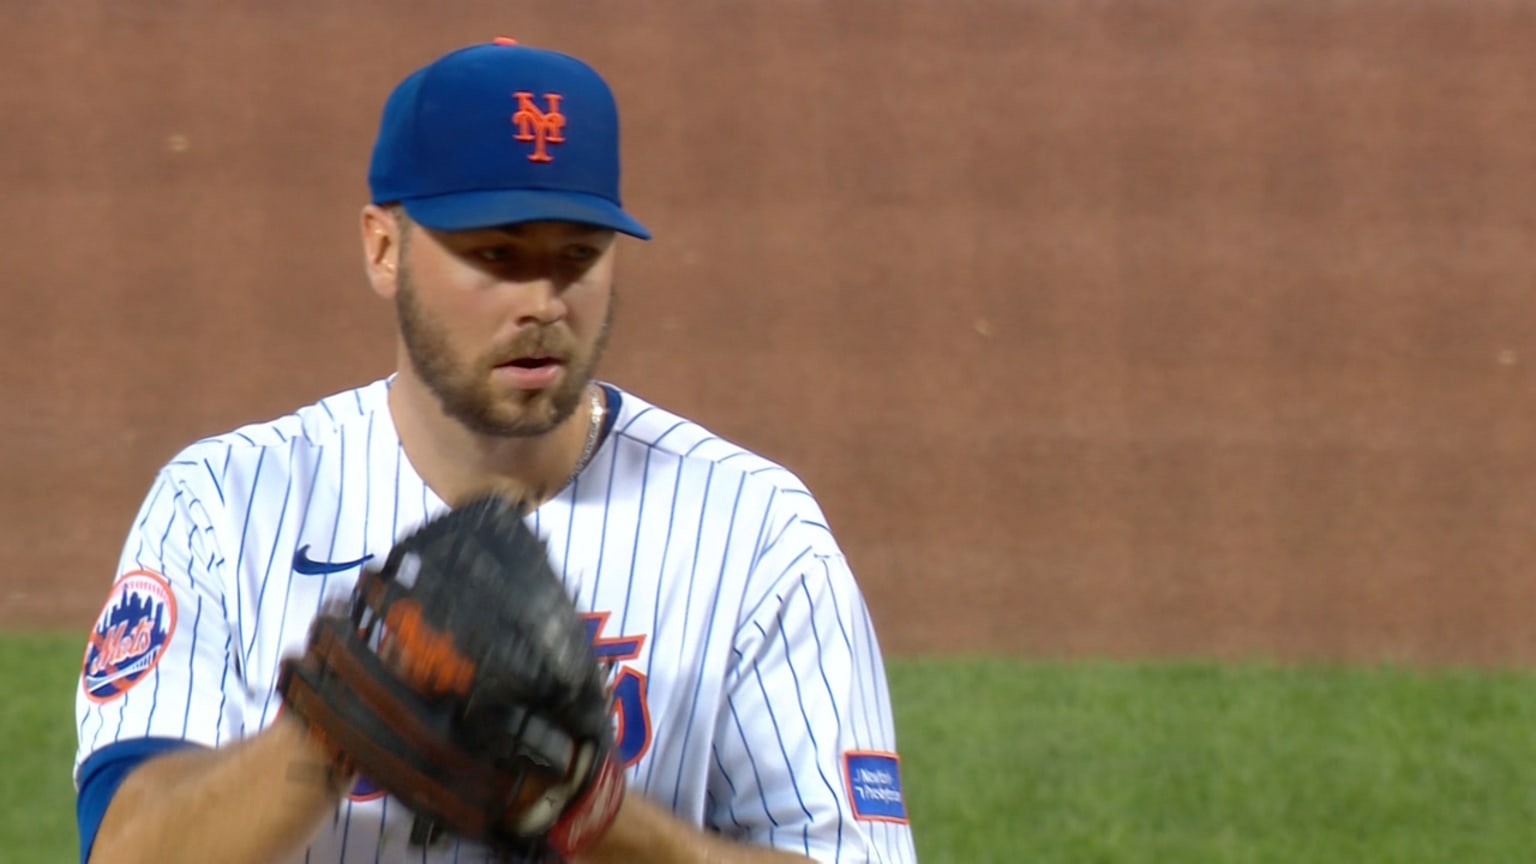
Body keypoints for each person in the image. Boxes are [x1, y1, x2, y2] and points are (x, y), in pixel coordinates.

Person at [72, 36, 919, 864]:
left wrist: (589, 818)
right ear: (383, 247)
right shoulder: (223, 501)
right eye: (496, 256)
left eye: (577, 258)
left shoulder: (756, 533)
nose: (543, 300)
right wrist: (341, 726)